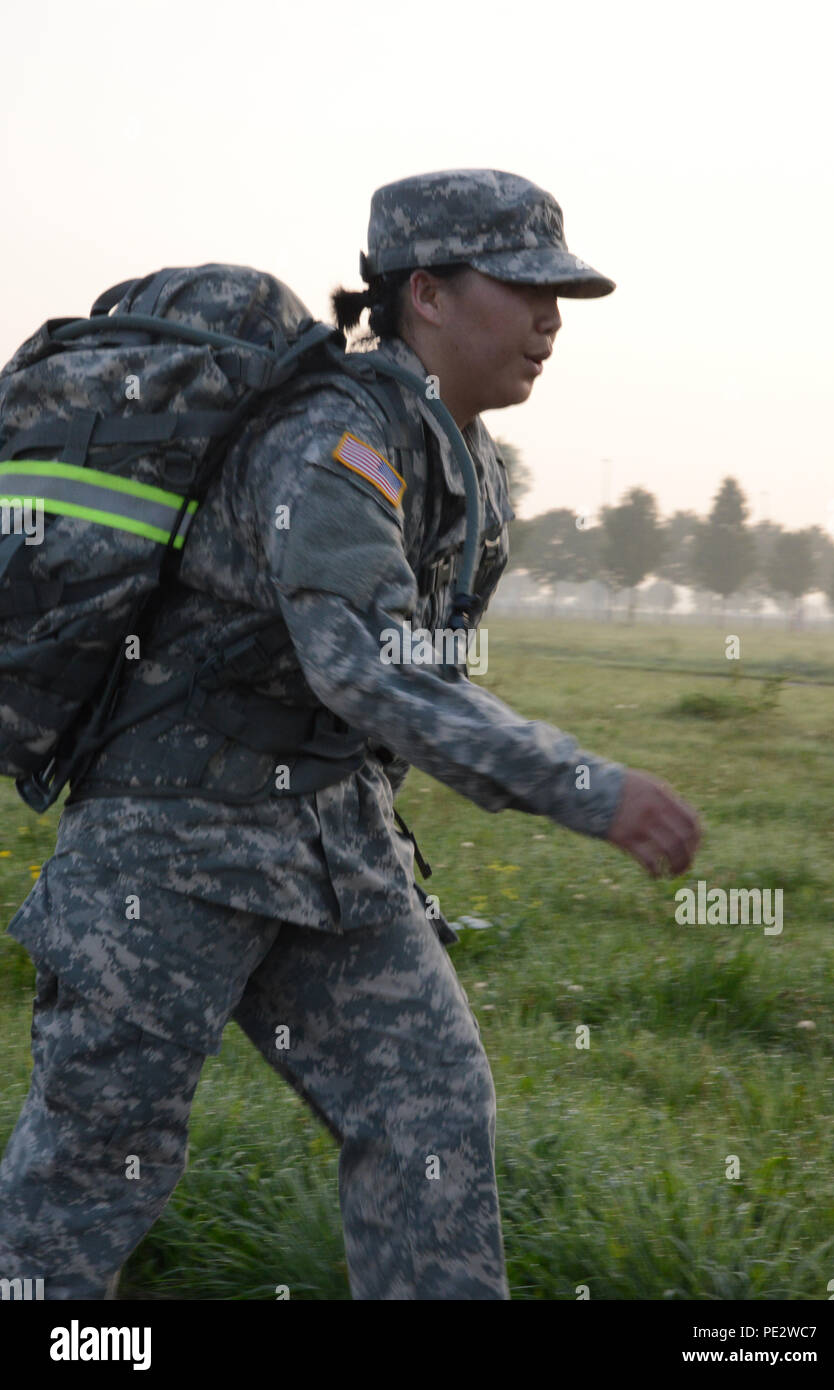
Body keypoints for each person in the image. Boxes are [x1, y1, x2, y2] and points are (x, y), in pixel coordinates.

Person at [0, 168, 701, 1301]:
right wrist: (584, 786)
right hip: (169, 855)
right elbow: (368, 668)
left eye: (560, 291)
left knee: (430, 1115)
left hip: (333, 855)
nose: (551, 317)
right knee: (89, 1181)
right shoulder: (329, 440)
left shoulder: (462, 459)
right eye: (523, 287)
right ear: (425, 293)